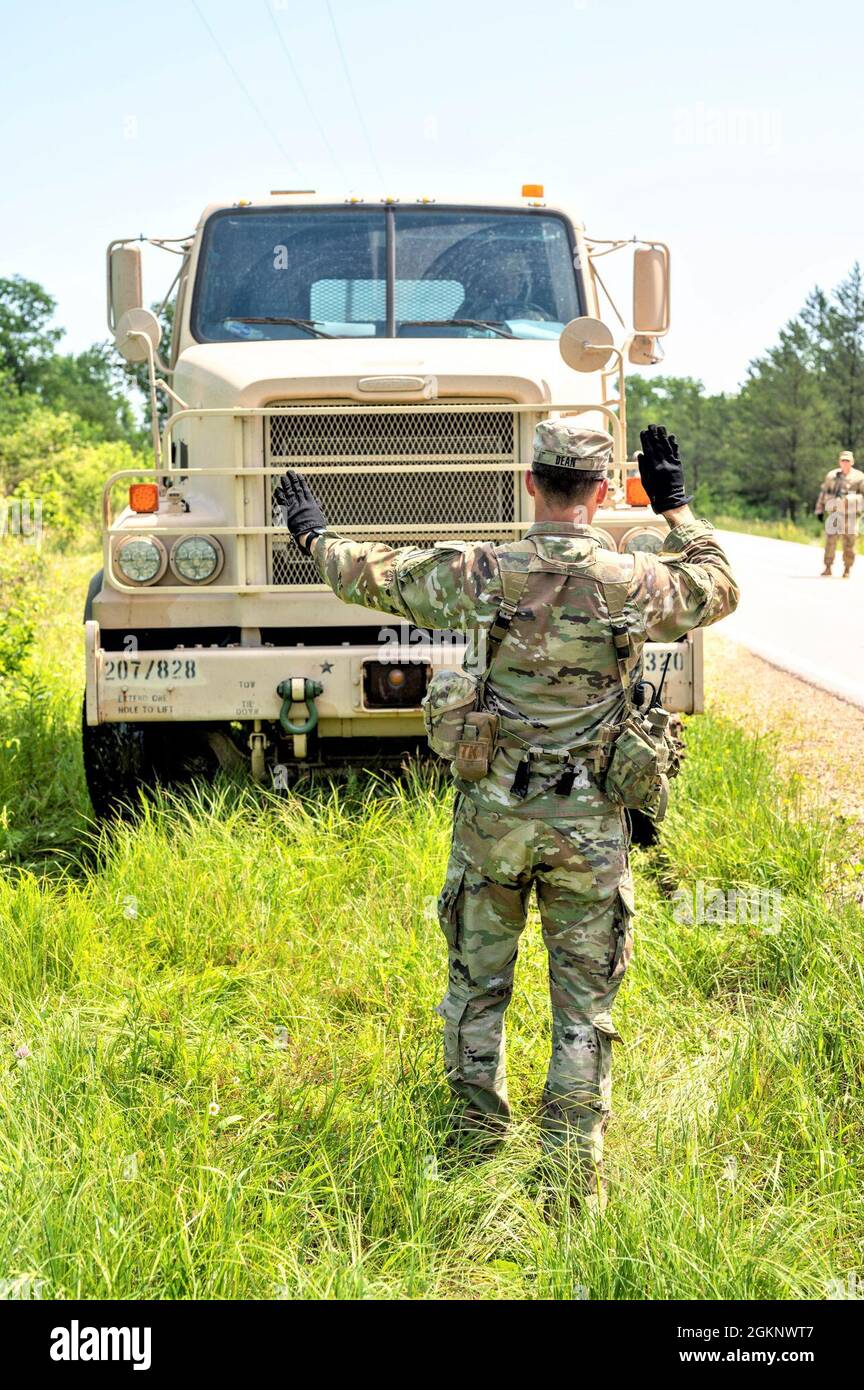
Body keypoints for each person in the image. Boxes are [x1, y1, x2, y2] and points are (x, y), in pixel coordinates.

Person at [275, 421, 740, 1208]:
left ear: (531, 483)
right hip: (590, 829)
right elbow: (719, 583)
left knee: (476, 983)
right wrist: (677, 508)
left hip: (492, 821)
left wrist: (312, 532)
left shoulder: (483, 572)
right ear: (601, 492)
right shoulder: (634, 581)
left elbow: (373, 576)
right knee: (584, 1006)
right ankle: (568, 1176)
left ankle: (470, 1146)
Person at [816, 450, 864, 576]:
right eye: (843, 460)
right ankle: (828, 567)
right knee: (830, 541)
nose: (845, 462)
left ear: (852, 462)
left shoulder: (859, 477)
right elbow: (823, 492)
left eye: (847, 460)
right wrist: (819, 509)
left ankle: (847, 568)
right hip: (835, 513)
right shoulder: (832, 475)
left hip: (851, 515)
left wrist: (850, 499)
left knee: (849, 543)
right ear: (839, 461)